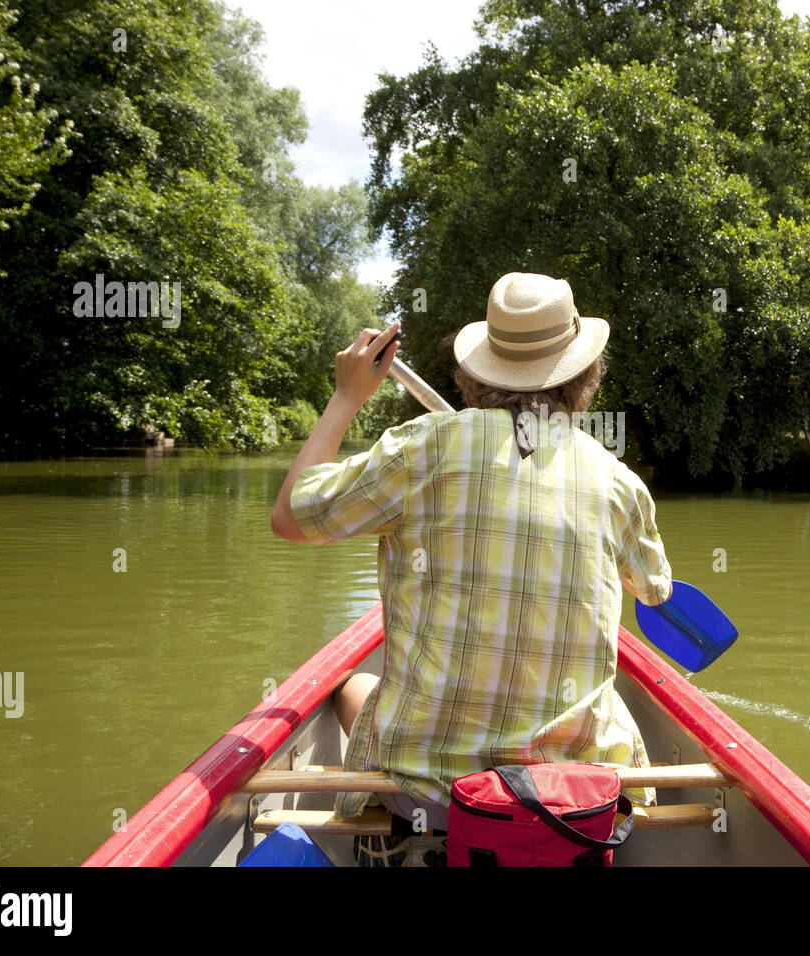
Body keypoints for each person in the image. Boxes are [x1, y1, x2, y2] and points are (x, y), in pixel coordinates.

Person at [270, 272, 672, 866]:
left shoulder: (419, 449)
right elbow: (655, 590)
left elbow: (292, 514)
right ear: (584, 376)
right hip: (574, 813)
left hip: (431, 806)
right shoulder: (617, 481)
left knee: (348, 686)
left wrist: (346, 397)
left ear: (478, 369)